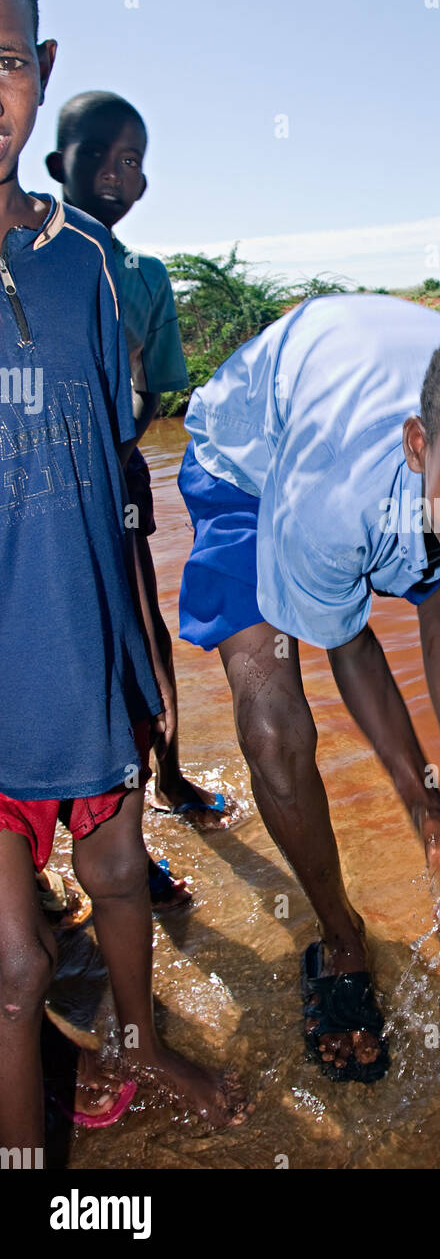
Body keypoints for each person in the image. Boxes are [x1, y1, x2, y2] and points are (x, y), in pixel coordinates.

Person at [178, 293, 440, 1083]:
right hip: (251, 463)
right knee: (274, 727)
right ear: (419, 448)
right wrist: (422, 803)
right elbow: (349, 644)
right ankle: (339, 938)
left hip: (403, 443)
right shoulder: (330, 497)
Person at [0, 0, 249, 1155]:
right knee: (11, 965)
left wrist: (133, 653)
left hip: (80, 604)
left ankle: (138, 1044)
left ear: (36, 68)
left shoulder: (93, 275)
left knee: (114, 864)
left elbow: (116, 447)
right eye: (116, 160)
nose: (129, 178)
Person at [45, 92, 235, 846]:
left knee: (143, 630)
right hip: (39, 486)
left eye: (132, 161)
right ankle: (67, 830)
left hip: (118, 481)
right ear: (59, 165)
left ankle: (166, 775)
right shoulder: (24, 255)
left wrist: (121, 450)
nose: (116, 174)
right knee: (60, 636)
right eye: (97, 156)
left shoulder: (144, 276)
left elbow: (155, 384)